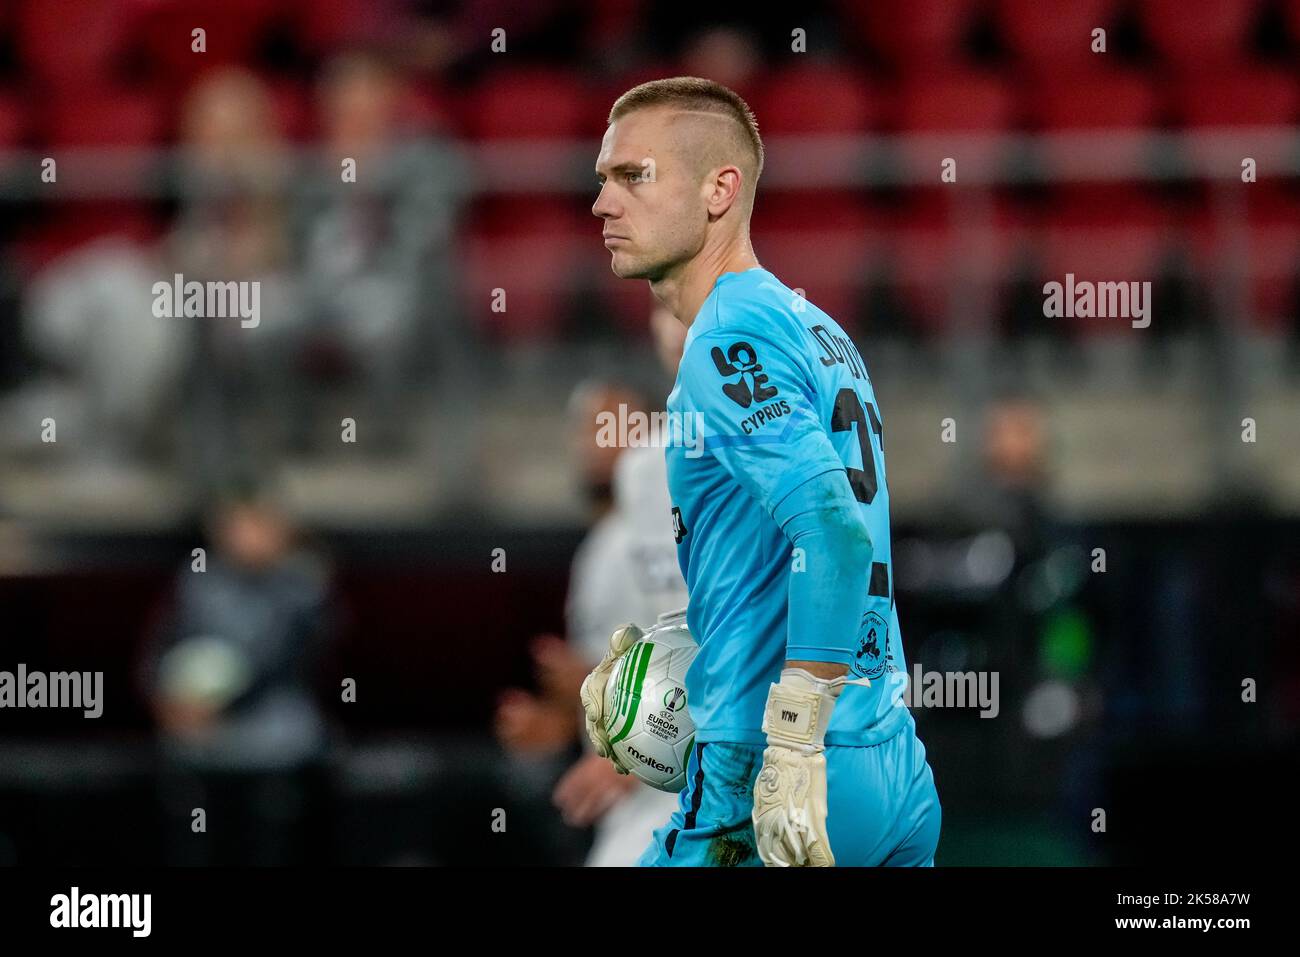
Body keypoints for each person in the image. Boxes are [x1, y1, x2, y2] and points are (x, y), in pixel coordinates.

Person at [582, 77, 941, 866]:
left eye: (633, 176)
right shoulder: (818, 328)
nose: (603, 203)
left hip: (774, 778)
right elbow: (789, 548)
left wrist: (792, 744)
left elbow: (834, 531)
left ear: (720, 190)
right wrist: (684, 651)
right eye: (603, 179)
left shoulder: (725, 338)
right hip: (891, 760)